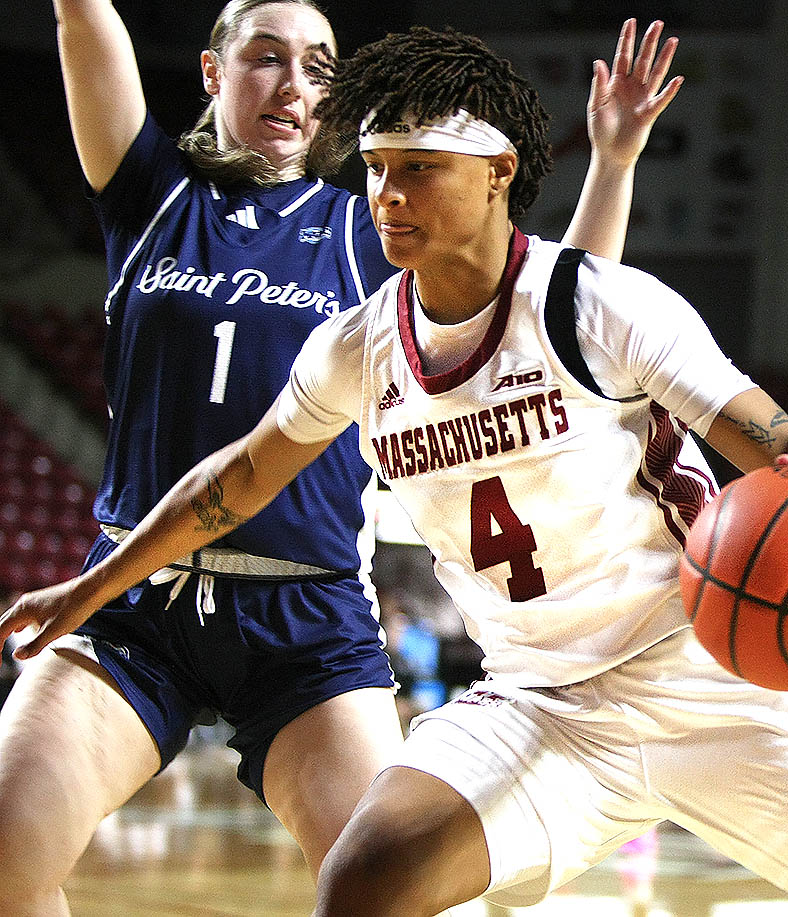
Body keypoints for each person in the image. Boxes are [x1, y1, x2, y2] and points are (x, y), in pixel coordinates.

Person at [0, 24, 788, 917]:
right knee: (362, 880)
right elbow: (232, 482)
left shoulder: (604, 305)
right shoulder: (355, 347)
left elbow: (782, 442)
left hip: (714, 680)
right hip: (539, 700)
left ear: (494, 171)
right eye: (376, 168)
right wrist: (91, 585)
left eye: (418, 169)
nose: (387, 196)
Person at [0, 2, 682, 913]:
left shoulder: (371, 231)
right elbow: (84, 22)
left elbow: (553, 320)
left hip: (304, 614)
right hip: (136, 600)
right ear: (213, 73)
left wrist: (616, 159)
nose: (293, 83)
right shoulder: (150, 191)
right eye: (267, 58)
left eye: (318, 67)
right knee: (6, 855)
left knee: (394, 892)